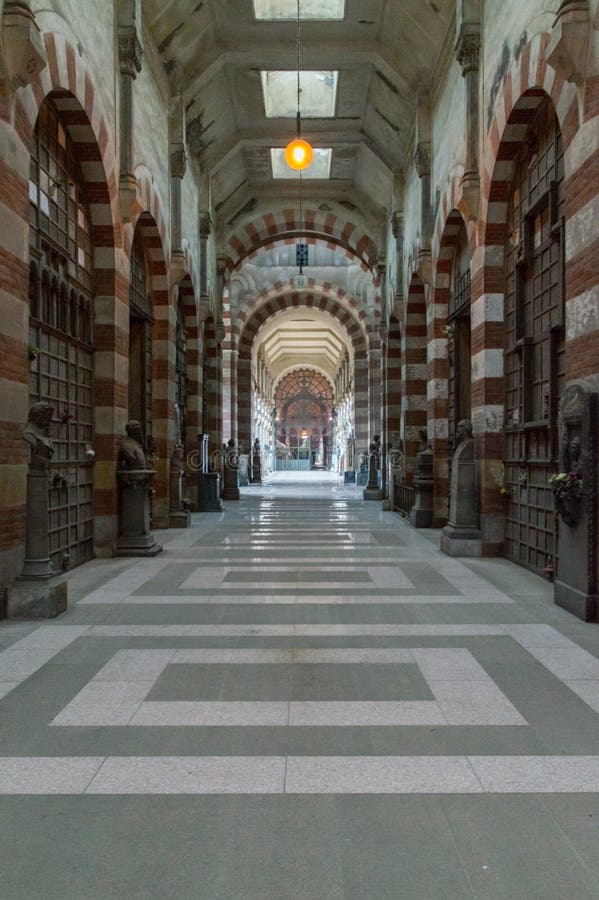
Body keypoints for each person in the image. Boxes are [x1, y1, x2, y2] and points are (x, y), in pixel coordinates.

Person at [23, 401, 54, 470]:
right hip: (35, 472)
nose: (50, 419)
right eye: (48, 416)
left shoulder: (45, 434)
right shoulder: (28, 434)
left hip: (43, 472)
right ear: (37, 415)